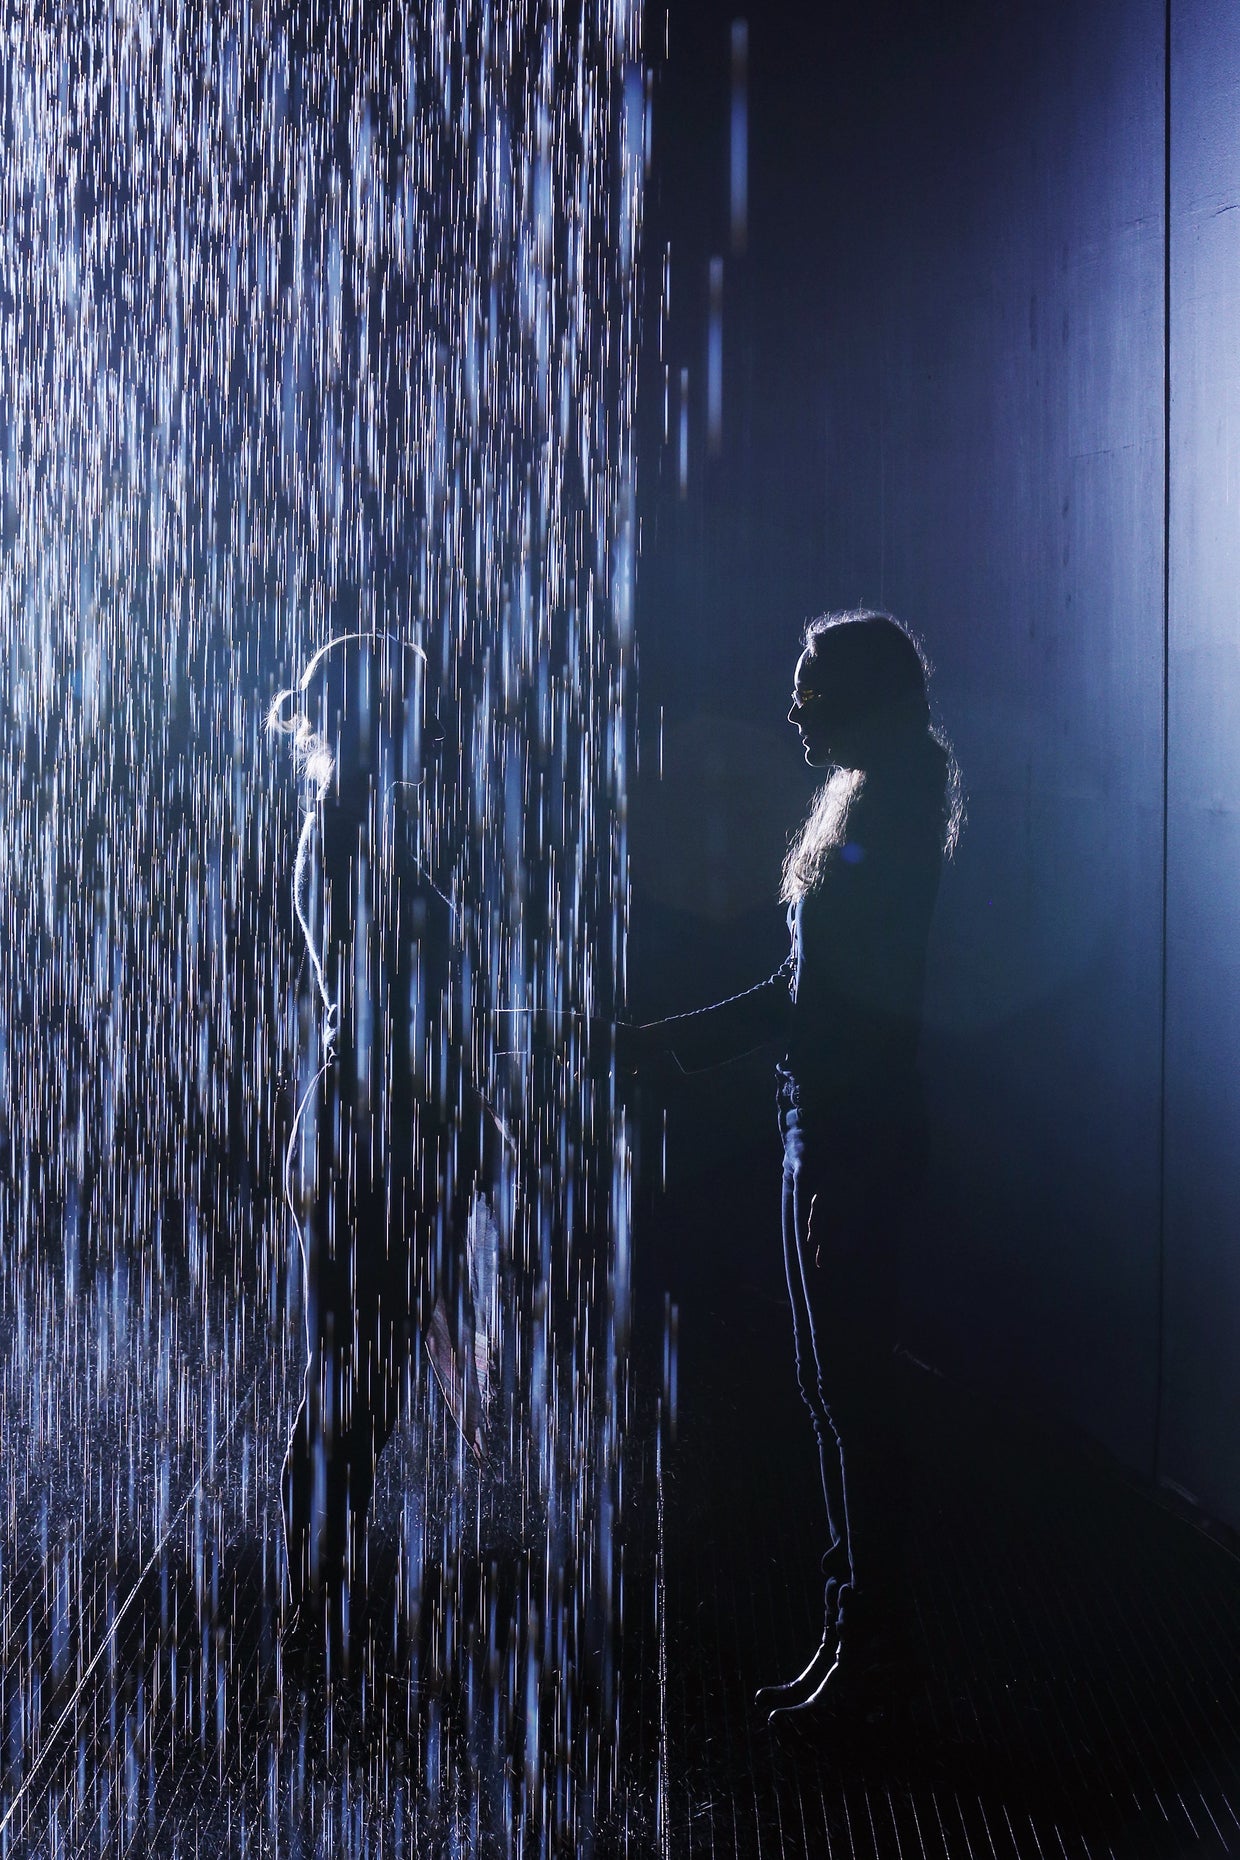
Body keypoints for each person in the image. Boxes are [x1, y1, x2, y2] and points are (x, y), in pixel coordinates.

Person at [621, 610, 959, 1724]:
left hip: (843, 1139)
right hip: (826, 1131)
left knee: (849, 1398)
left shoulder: (888, 814)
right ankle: (859, 1638)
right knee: (836, 1395)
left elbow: (855, 1015)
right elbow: (799, 992)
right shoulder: (871, 799)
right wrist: (672, 1041)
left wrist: (839, 1171)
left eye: (810, 694)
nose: (793, 712)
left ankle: (877, 1652)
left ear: (860, 696)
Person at [267, 632, 509, 1664]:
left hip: (379, 1119)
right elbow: (380, 1007)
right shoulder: (357, 825)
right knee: (360, 1366)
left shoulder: (356, 821)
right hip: (387, 1126)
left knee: (355, 1361)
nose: (432, 725)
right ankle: (313, 1590)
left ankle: (317, 1579)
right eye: (414, 704)